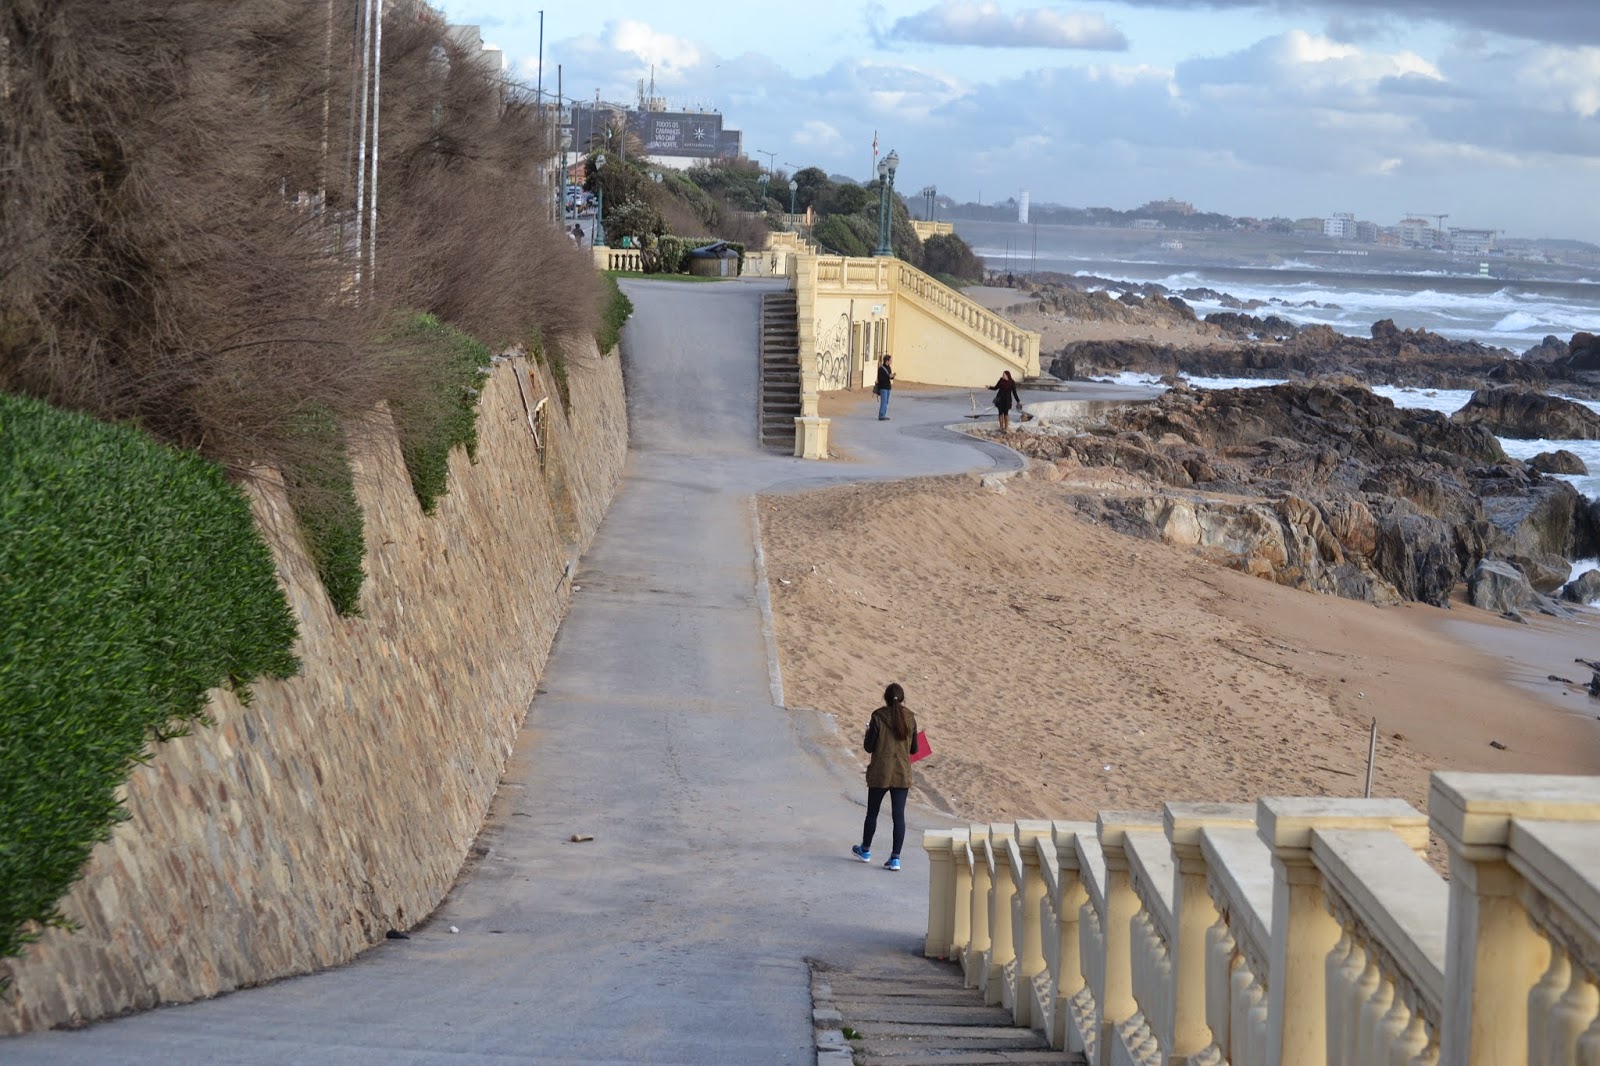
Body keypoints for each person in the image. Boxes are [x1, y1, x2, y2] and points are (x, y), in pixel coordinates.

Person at [852, 683, 919, 871]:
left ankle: (865, 850)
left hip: (880, 772)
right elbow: (914, 749)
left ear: (886, 698)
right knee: (899, 816)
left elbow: (869, 747)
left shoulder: (878, 717)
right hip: (901, 772)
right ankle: (895, 858)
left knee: (872, 813)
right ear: (903, 699)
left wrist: (868, 732)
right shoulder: (911, 718)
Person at [874, 355, 895, 421]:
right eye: (890, 360)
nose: (891, 361)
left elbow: (890, 377)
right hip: (883, 387)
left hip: (888, 387)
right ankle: (881, 415)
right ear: (887, 361)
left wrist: (892, 376)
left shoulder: (889, 368)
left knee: (886, 402)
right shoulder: (881, 369)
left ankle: (884, 414)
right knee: (883, 402)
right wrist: (888, 376)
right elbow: (881, 378)